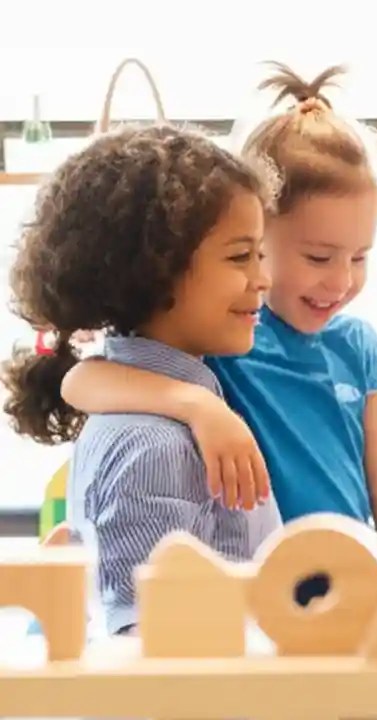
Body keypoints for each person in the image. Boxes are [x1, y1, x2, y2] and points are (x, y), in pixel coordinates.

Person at [59, 63, 377, 628]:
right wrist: (198, 405)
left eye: (360, 257)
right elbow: (82, 379)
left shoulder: (354, 343)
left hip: (353, 586)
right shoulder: (232, 336)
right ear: (261, 235)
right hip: (272, 595)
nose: (342, 281)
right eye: (319, 257)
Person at [1, 124, 283, 635]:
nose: (263, 278)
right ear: (155, 271)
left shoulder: (164, 405)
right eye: (241, 255)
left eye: (260, 254)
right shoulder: (155, 448)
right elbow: (145, 643)